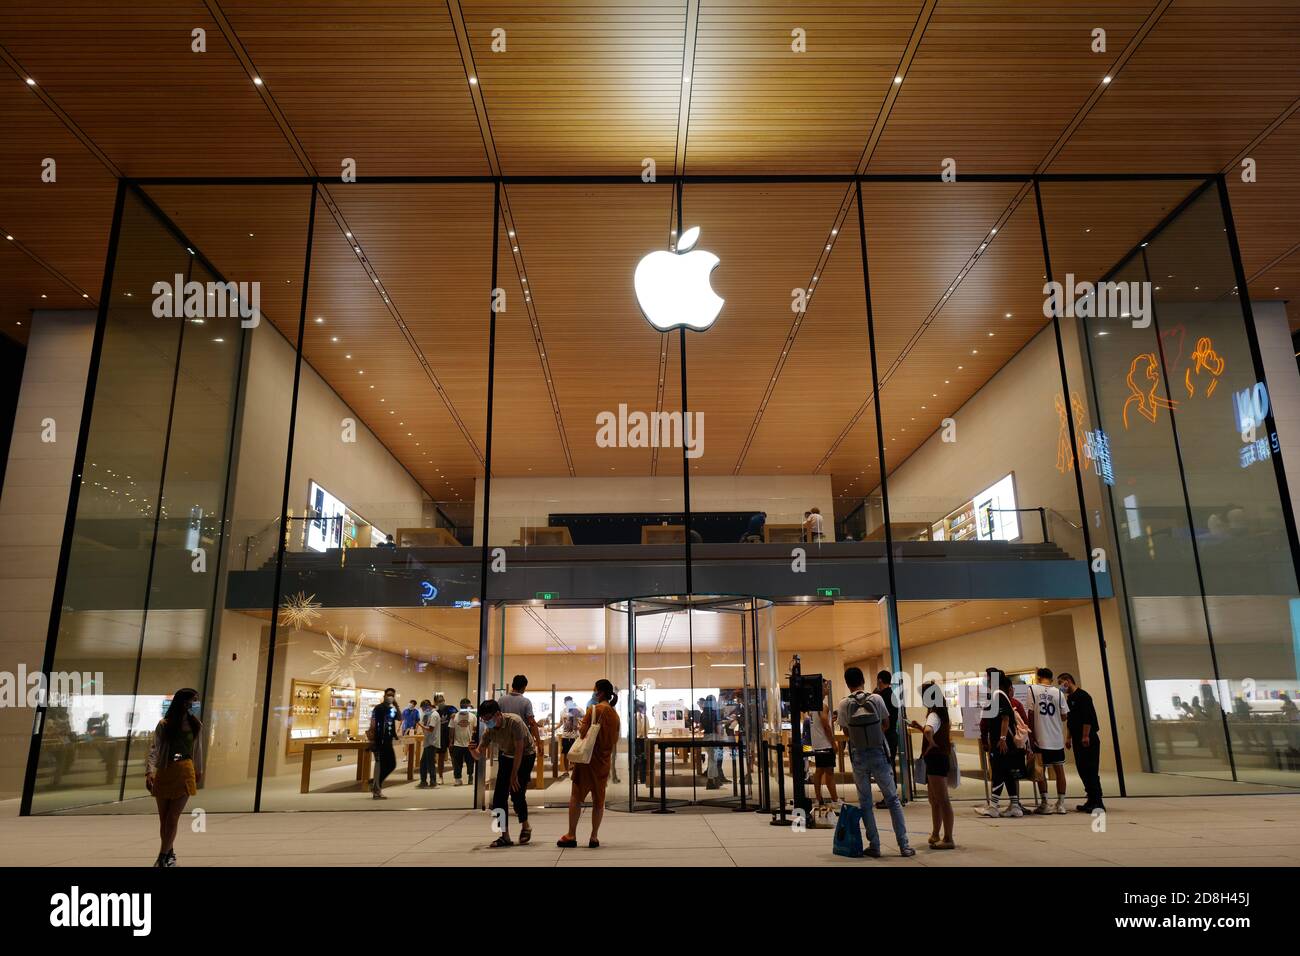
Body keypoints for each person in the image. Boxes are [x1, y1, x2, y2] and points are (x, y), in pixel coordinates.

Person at [837, 667, 914, 858]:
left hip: (859, 757)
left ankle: (875, 845)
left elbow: (846, 732)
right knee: (892, 800)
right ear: (863, 680)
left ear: (847, 683)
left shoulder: (844, 704)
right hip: (879, 753)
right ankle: (904, 845)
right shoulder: (877, 699)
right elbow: (887, 724)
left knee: (865, 802)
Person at [557, 679, 622, 848]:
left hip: (587, 761)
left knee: (576, 796)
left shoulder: (594, 709)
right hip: (603, 761)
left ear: (599, 692)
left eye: (595, 690)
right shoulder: (615, 715)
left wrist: (581, 726)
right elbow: (614, 739)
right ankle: (594, 837)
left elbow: (583, 732)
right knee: (599, 800)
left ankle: (571, 834)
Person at [145, 688, 205, 867]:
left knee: (172, 817)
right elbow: (154, 748)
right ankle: (169, 852)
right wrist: (149, 771)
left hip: (185, 770)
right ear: (182, 701)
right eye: (191, 700)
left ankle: (163, 856)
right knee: (164, 819)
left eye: (195, 701)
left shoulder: (195, 725)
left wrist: (199, 770)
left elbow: (198, 750)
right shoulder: (164, 724)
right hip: (165, 770)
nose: (194, 704)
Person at [469, 699, 536, 847]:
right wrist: (472, 750)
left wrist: (514, 776)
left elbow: (519, 750)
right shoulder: (489, 730)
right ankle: (504, 836)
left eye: (488, 718)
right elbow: (479, 755)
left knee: (517, 792)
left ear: (498, 714)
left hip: (525, 756)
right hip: (506, 756)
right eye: (483, 719)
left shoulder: (515, 722)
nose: (486, 722)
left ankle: (526, 826)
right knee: (498, 798)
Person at [909, 681, 954, 849]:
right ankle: (936, 833)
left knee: (941, 800)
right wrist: (920, 728)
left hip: (936, 759)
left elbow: (929, 731)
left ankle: (948, 838)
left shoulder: (934, 714)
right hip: (937, 758)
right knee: (935, 799)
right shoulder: (941, 712)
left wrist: (931, 742)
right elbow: (928, 730)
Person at [976, 670, 1027, 818]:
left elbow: (1005, 718)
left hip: (1001, 743)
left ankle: (993, 806)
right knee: (1008, 773)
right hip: (1003, 741)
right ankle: (1015, 806)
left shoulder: (998, 695)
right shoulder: (998, 695)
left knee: (998, 772)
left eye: (987, 678)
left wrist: (1002, 739)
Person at [1058, 673, 1105, 812]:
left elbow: (1087, 718)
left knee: (1090, 769)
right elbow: (1070, 720)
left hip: (1088, 738)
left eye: (1061, 682)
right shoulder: (1070, 698)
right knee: (1082, 769)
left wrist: (1085, 736)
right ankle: (1090, 799)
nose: (1061, 686)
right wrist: (1068, 737)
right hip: (1077, 738)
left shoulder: (1083, 696)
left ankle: (1098, 801)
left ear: (1068, 681)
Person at [1028, 667, 1070, 814]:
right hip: (1056, 738)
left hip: (1041, 738)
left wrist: (1031, 735)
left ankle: (1045, 803)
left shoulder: (1032, 690)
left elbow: (1030, 713)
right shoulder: (1059, 693)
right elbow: (1065, 716)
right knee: (1060, 771)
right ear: (1051, 679)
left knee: (1041, 770)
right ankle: (1061, 803)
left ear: (1038, 677)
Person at [808, 678, 838, 807]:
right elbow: (825, 725)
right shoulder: (822, 706)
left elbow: (822, 723)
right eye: (825, 686)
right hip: (825, 744)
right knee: (829, 772)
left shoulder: (813, 706)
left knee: (819, 771)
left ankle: (818, 798)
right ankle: (835, 800)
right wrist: (833, 742)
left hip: (818, 744)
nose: (827, 689)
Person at [368, 688, 402, 799]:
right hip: (379, 740)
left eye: (392, 695)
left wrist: (396, 705)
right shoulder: (378, 708)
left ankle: (375, 783)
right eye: (388, 695)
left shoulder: (391, 709)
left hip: (388, 740)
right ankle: (376, 790)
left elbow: (400, 718)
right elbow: (373, 724)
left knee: (391, 764)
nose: (390, 697)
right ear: (384, 695)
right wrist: (372, 740)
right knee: (379, 765)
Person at [874, 670, 900, 808]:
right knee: (889, 766)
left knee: (885, 768)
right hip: (892, 735)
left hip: (885, 736)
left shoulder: (881, 697)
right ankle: (891, 795)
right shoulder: (893, 695)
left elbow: (883, 719)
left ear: (879, 680)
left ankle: (889, 797)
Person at [499, 675, 542, 751]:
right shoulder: (526, 701)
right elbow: (532, 723)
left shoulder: (501, 700)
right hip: (521, 742)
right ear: (523, 687)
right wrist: (539, 743)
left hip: (504, 743)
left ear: (513, 685)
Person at [450, 698, 478, 786]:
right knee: (457, 762)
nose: (466, 708)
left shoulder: (473, 717)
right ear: (460, 706)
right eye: (464, 707)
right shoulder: (454, 717)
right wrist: (451, 742)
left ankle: (470, 776)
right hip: (457, 743)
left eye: (467, 707)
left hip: (469, 743)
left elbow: (475, 729)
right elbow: (451, 730)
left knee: (470, 762)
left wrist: (474, 741)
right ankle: (458, 778)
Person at [700, 695, 726, 788]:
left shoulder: (703, 713)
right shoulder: (715, 713)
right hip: (714, 737)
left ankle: (715, 780)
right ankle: (711, 781)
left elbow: (701, 728)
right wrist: (720, 738)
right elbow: (718, 728)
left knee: (711, 759)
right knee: (713, 760)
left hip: (706, 737)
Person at [417, 699, 441, 788]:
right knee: (424, 762)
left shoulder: (434, 715)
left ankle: (432, 781)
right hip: (428, 742)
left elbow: (430, 729)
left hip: (432, 742)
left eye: (423, 708)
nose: (423, 710)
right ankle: (424, 781)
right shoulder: (428, 715)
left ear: (428, 707)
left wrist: (419, 724)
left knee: (430, 762)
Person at [434, 693, 458, 782]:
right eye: (439, 701)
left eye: (442, 700)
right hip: (441, 737)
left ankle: (456, 776)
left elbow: (456, 713)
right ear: (436, 703)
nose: (441, 702)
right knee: (440, 757)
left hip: (451, 736)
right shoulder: (435, 712)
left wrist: (454, 714)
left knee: (453, 756)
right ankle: (440, 777)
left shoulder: (450, 708)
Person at [558, 696, 581, 773]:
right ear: (564, 703)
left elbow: (581, 721)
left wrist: (580, 728)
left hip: (574, 736)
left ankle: (575, 770)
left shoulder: (576, 711)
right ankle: (566, 771)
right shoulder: (562, 712)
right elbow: (561, 722)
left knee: (574, 754)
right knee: (565, 753)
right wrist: (553, 729)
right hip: (565, 735)